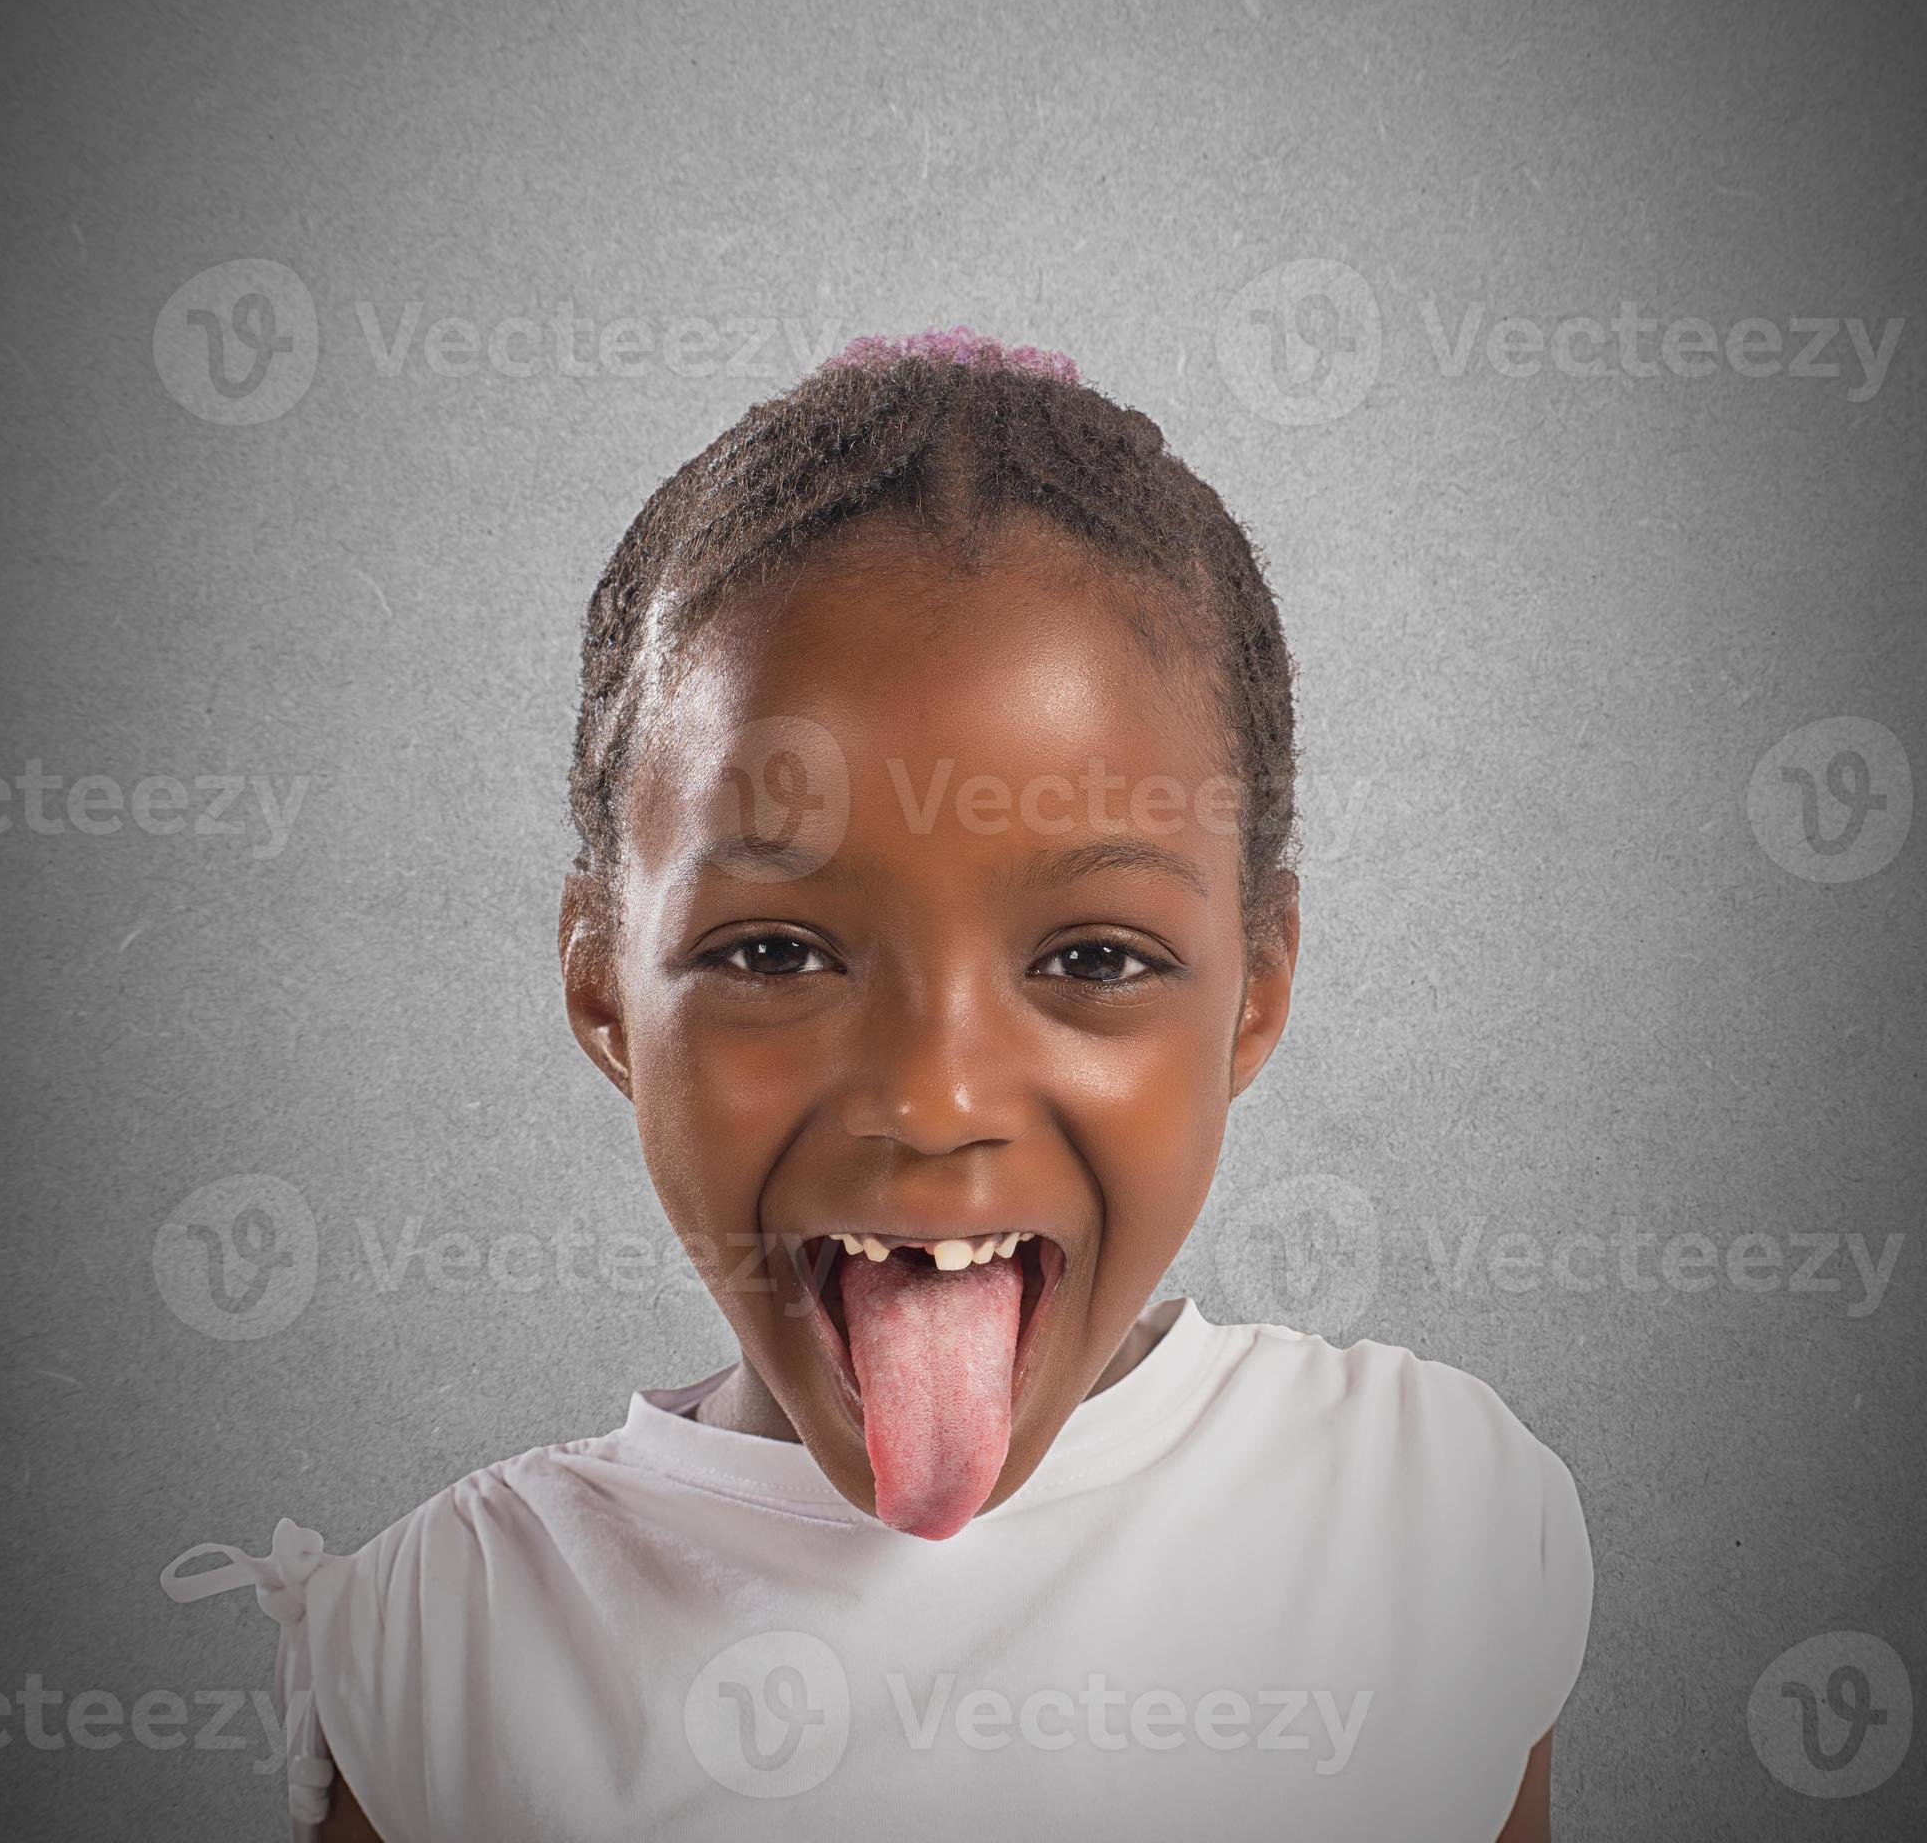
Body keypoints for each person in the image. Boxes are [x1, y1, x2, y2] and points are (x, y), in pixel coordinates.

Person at [164, 327, 1592, 1841]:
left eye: (1094, 961)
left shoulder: (1429, 1518)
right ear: (603, 986)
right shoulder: (453, 1649)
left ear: (1257, 990)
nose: (932, 1097)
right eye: (774, 952)